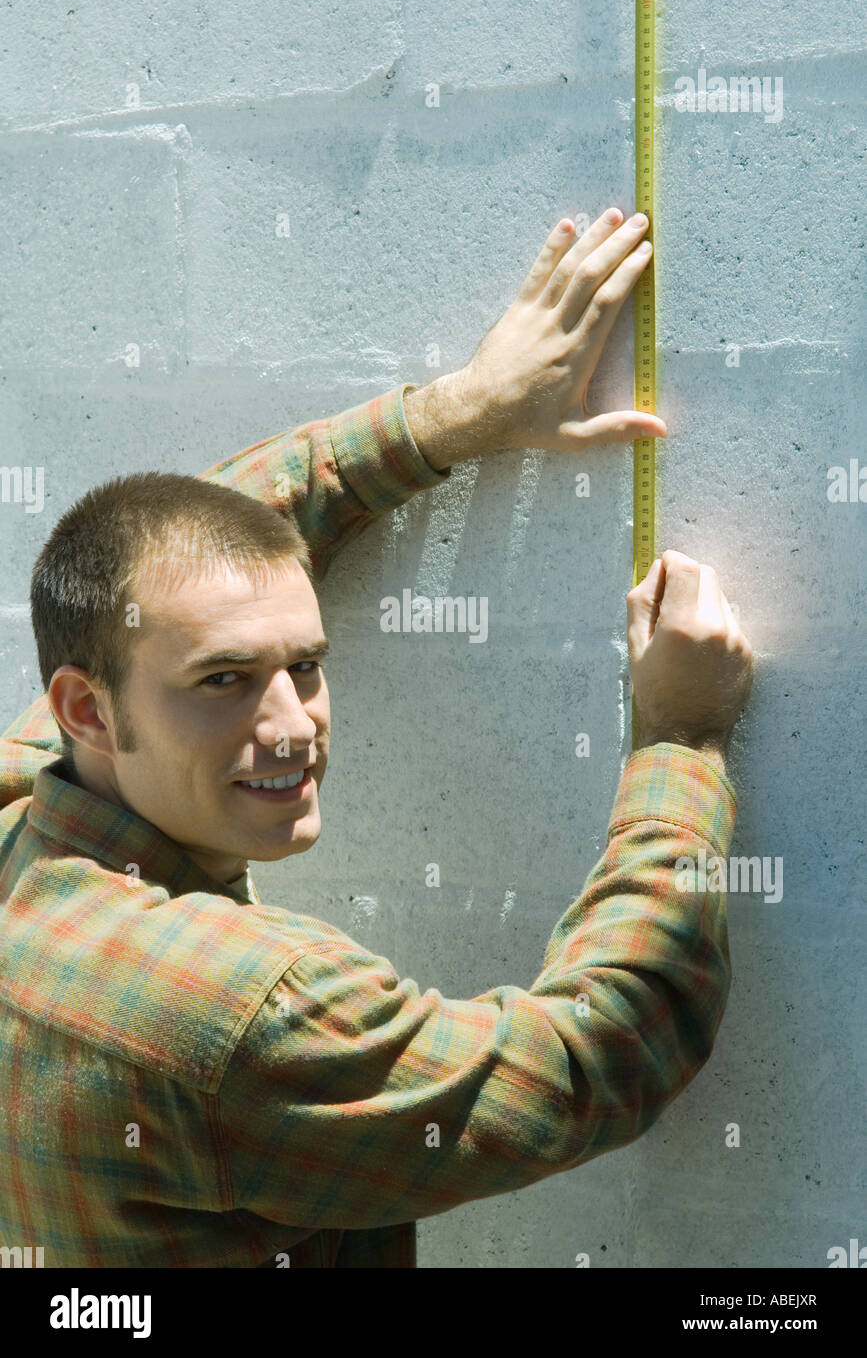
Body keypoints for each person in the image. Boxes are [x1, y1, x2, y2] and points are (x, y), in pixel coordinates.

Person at [0, 207, 753, 1268]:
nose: (289, 727)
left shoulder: (31, 806)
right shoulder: (255, 1018)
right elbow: (600, 1057)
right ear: (88, 707)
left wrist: (457, 414)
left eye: (302, 665)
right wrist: (680, 742)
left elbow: (200, 543)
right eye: (223, 682)